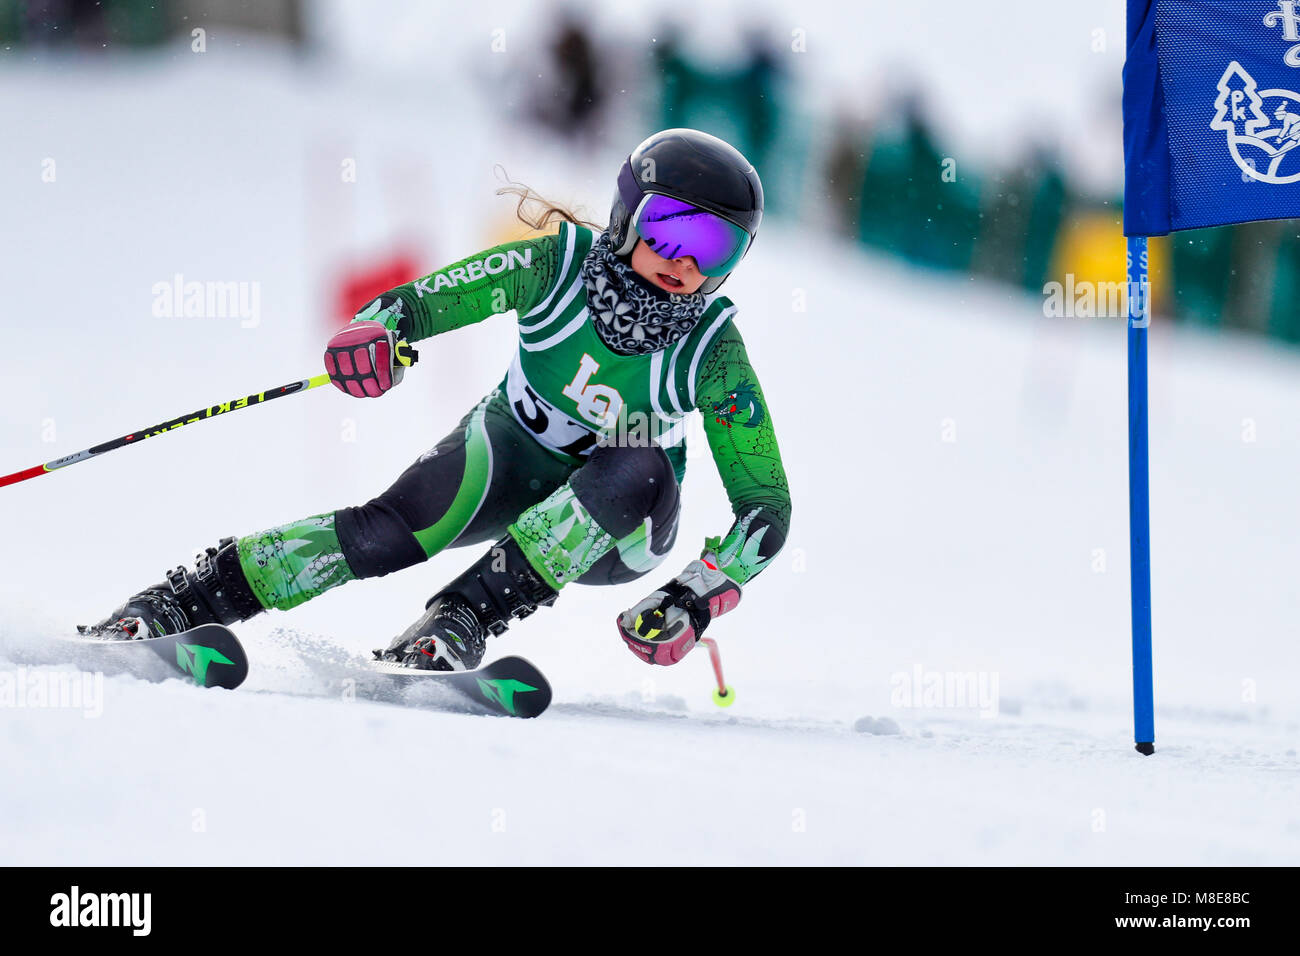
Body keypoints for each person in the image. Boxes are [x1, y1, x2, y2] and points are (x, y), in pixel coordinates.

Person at [83, 129, 792, 672]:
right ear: (628, 217)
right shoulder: (557, 265)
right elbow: (418, 305)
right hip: (510, 453)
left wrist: (694, 595)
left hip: (618, 529)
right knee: (385, 532)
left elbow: (765, 505)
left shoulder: (713, 350)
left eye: (717, 247)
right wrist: (378, 334)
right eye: (673, 228)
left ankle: (461, 619)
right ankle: (182, 601)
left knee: (636, 458)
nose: (687, 261)